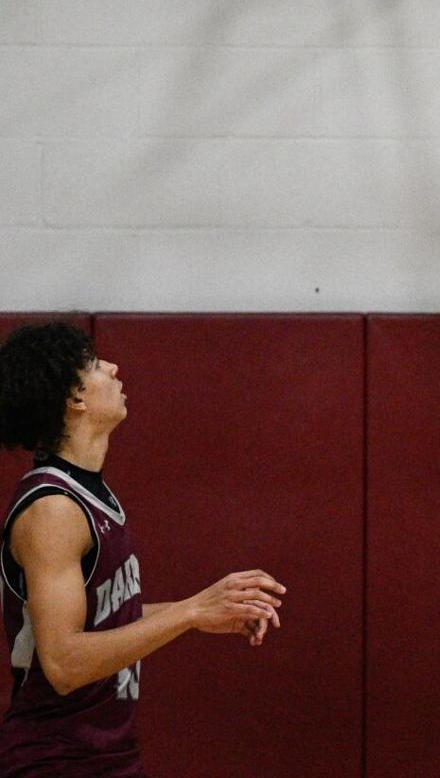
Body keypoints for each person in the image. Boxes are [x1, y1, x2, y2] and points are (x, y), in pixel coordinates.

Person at [0, 321, 285, 777]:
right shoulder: (53, 509)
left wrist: (209, 612)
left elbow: (105, 625)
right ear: (75, 399)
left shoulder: (88, 494)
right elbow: (64, 663)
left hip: (107, 757)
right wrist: (191, 611)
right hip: (56, 760)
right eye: (95, 365)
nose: (113, 368)